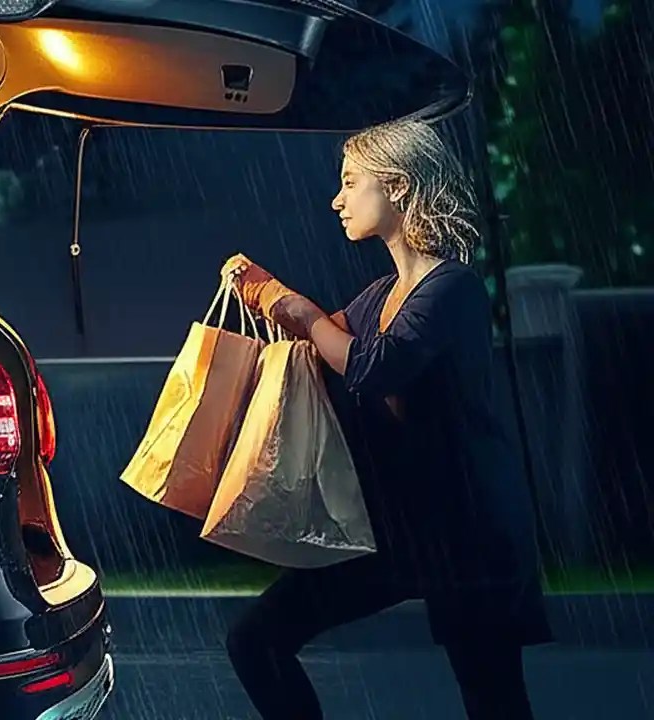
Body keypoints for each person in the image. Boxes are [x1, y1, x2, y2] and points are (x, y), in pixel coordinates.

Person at [221, 119, 553, 720]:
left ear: (396, 187)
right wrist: (265, 302)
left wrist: (292, 305)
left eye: (351, 183)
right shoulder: (380, 295)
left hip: (470, 531)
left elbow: (376, 367)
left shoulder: (452, 290)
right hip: (400, 531)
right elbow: (324, 350)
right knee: (256, 639)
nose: (336, 199)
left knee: (494, 699)